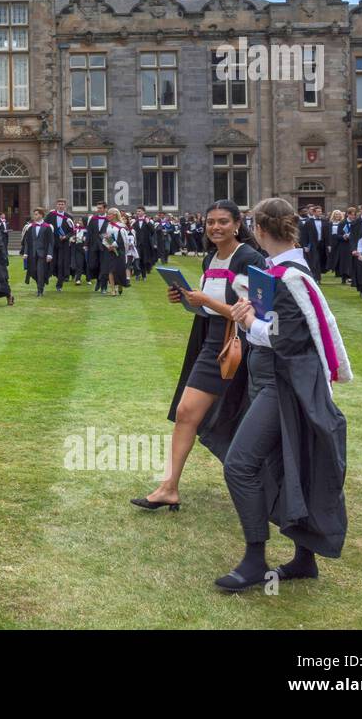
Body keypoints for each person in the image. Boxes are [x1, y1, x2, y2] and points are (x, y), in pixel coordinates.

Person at [219, 197, 351, 591]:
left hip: (285, 385)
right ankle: (303, 558)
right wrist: (252, 320)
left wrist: (248, 323)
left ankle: (255, 559)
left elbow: (285, 341)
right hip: (273, 380)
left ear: (258, 230)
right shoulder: (279, 270)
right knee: (284, 464)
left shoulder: (291, 277)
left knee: (240, 464)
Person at [132, 200, 263, 510]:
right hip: (212, 342)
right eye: (211, 222)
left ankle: (261, 487)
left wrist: (206, 299)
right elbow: (205, 308)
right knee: (186, 412)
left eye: (223, 222)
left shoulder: (248, 258)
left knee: (242, 418)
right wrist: (186, 300)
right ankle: (169, 487)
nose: (215, 227)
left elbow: (250, 312)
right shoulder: (210, 259)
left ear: (237, 224)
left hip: (239, 346)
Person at [21, 208, 55, 296]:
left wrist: (50, 254)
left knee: (40, 271)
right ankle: (41, 284)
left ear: (41, 215)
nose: (34, 216)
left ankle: (40, 290)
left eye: (36, 214)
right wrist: (25, 253)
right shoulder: (30, 227)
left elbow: (51, 242)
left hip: (43, 254)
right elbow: (27, 241)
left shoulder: (48, 227)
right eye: (34, 214)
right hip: (32, 253)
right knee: (33, 271)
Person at [98, 209, 130, 296]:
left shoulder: (121, 226)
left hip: (120, 250)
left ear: (115, 215)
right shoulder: (108, 225)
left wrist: (114, 245)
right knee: (111, 270)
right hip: (110, 251)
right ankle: (112, 289)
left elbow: (123, 239)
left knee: (119, 269)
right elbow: (106, 237)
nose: (107, 216)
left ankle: (120, 285)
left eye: (109, 214)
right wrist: (108, 246)